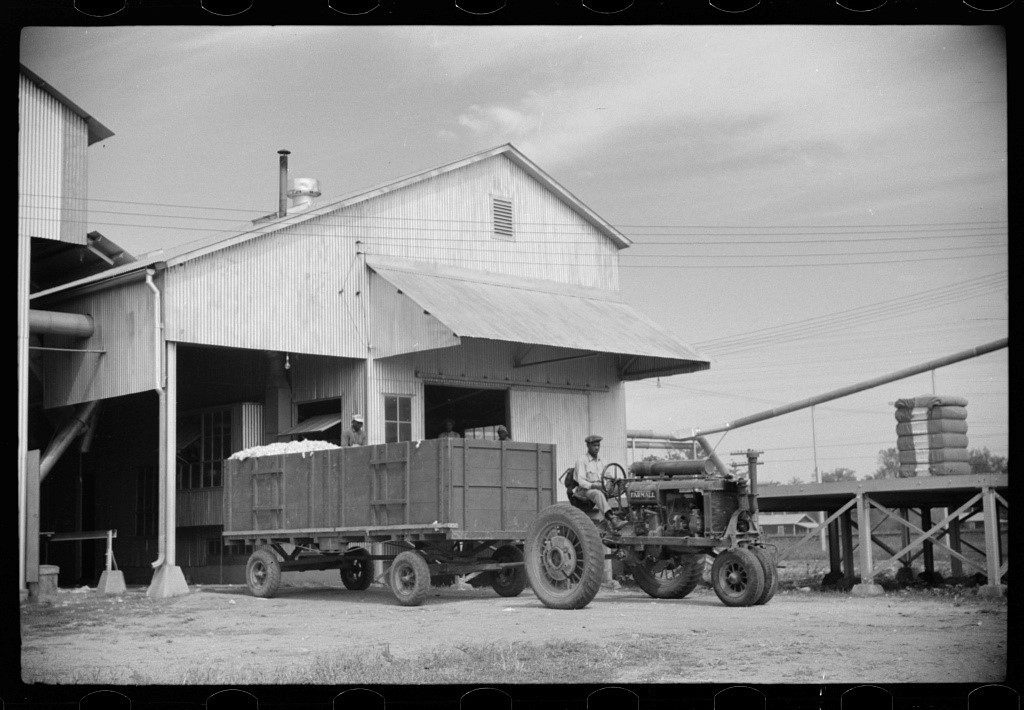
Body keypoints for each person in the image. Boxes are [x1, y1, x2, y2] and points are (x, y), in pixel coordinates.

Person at [573, 435, 627, 531]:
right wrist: (594, 485)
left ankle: (627, 514)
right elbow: (581, 481)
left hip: (601, 486)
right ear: (588, 446)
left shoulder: (602, 460)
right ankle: (613, 519)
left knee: (623, 486)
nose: (597, 448)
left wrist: (614, 481)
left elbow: (608, 475)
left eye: (598, 445)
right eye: (594, 445)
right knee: (597, 493)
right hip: (585, 490)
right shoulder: (582, 460)